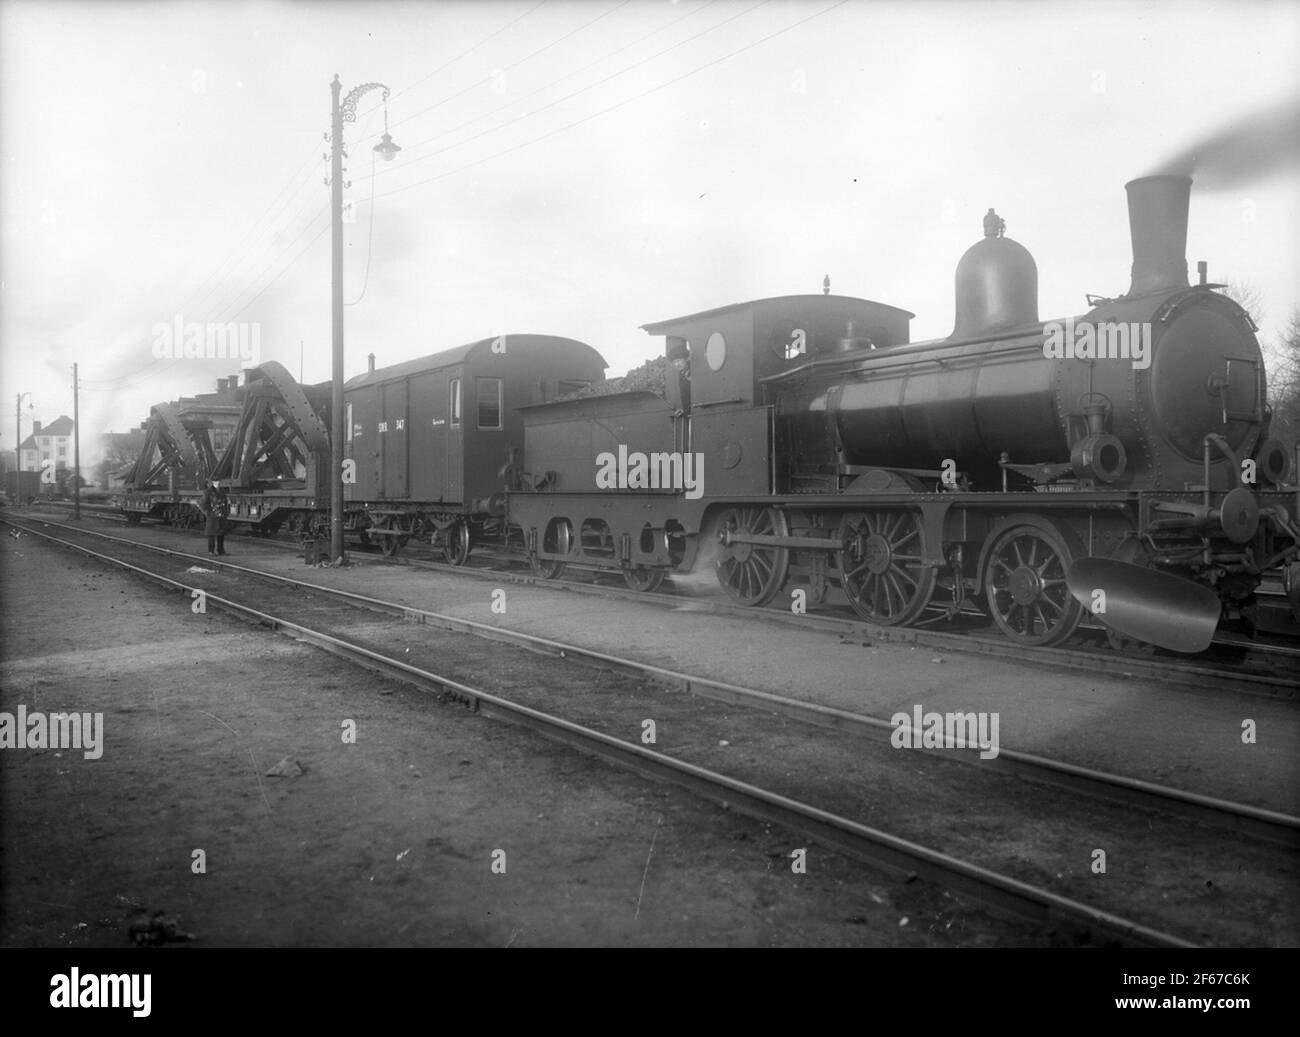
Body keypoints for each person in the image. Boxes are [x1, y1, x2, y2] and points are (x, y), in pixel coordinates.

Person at [200, 478, 230, 556]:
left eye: (219, 481)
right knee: (211, 534)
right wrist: (209, 513)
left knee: (221, 533)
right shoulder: (208, 492)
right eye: (216, 482)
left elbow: (225, 502)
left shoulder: (222, 491)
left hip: (221, 515)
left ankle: (221, 551)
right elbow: (203, 504)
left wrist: (226, 512)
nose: (218, 483)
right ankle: (211, 551)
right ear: (213, 482)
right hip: (212, 516)